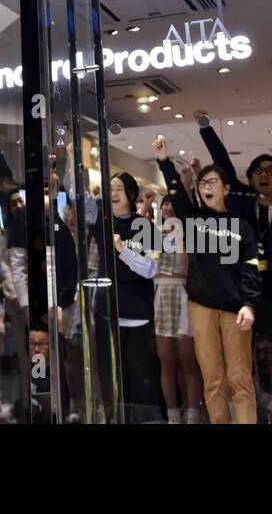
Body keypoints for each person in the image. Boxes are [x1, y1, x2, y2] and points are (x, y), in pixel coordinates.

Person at [153, 135, 260, 424]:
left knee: (240, 378)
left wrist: (249, 304)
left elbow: (251, 268)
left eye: (213, 182)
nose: (207, 187)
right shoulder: (194, 219)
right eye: (203, 183)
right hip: (201, 306)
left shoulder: (243, 227)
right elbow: (176, 194)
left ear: (226, 188)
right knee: (213, 380)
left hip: (236, 309)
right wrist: (164, 161)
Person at [194, 113, 272, 375]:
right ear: (250, 178)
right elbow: (223, 164)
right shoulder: (242, 202)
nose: (264, 175)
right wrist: (207, 129)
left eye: (270, 171)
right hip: (241, 289)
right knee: (245, 355)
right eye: (258, 171)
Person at [93, 171, 164, 423]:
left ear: (131, 194)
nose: (112, 194)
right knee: (113, 379)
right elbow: (81, 202)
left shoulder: (146, 227)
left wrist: (123, 251)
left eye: (118, 189)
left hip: (138, 318)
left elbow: (152, 269)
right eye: (109, 188)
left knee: (142, 379)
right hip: (108, 314)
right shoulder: (103, 222)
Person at [154, 192, 205, 425]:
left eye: (172, 203)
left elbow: (184, 269)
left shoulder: (189, 233)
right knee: (166, 359)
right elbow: (149, 267)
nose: (168, 207)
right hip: (161, 297)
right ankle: (173, 414)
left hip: (185, 295)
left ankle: (194, 412)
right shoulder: (154, 234)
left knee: (188, 359)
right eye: (165, 203)